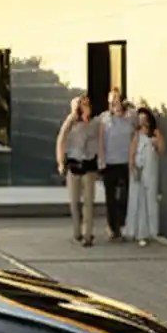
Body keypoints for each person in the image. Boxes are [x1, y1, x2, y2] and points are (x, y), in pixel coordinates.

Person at [56, 95, 101, 247]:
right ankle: (77, 232)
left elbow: (101, 141)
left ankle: (88, 235)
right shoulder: (71, 123)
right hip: (74, 165)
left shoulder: (96, 123)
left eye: (87, 104)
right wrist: (61, 162)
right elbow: (61, 140)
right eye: (82, 105)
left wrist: (101, 160)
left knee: (88, 202)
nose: (85, 107)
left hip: (89, 165)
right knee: (75, 202)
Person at [98, 87, 135, 241]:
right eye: (112, 100)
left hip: (126, 161)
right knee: (110, 197)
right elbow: (101, 140)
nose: (115, 103)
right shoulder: (104, 118)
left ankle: (121, 222)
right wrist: (101, 160)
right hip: (110, 162)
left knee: (125, 195)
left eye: (117, 99)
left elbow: (135, 135)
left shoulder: (129, 118)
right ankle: (113, 228)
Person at [125, 106, 165, 246]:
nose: (142, 122)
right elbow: (131, 153)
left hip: (151, 169)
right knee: (138, 199)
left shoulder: (155, 133)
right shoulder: (136, 134)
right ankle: (138, 231)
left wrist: (156, 143)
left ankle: (152, 230)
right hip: (138, 169)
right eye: (140, 119)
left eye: (144, 118)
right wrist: (133, 168)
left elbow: (161, 150)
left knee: (150, 199)